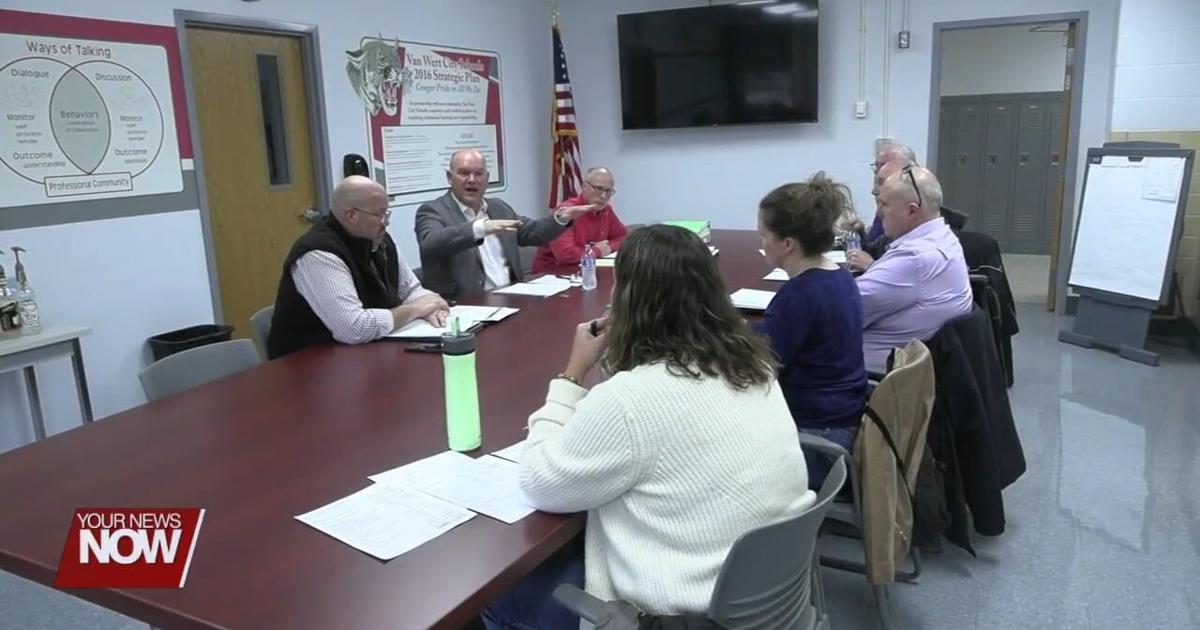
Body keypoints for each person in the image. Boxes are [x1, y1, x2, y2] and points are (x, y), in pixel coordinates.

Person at [484, 225, 816, 629]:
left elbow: (540, 481)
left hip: (675, 616)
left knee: (500, 596)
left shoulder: (630, 401)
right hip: (761, 598)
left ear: (627, 300)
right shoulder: (754, 365)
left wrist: (572, 375)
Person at [756, 173, 868, 484]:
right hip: (843, 418)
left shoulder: (799, 295)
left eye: (764, 235)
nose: (761, 243)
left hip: (816, 438)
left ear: (788, 243)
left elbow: (760, 366)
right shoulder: (840, 275)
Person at [267, 176, 448, 359]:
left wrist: (432, 308)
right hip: (307, 366)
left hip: (364, 354)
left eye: (387, 213)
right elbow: (354, 328)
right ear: (351, 215)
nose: (386, 222)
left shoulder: (379, 239)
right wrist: (416, 310)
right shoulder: (318, 253)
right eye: (380, 214)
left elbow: (412, 290)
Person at [415, 149, 594, 298]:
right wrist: (481, 228)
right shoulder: (432, 211)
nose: (471, 179)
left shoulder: (498, 207)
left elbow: (533, 232)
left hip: (513, 299)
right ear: (449, 177)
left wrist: (561, 217)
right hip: (465, 308)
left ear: (487, 178)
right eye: (463, 173)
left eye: (478, 174)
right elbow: (430, 242)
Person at [857, 165, 972, 372]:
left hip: (870, 376)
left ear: (912, 211)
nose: (878, 213)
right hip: (903, 370)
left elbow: (840, 309)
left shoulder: (915, 257)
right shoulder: (945, 238)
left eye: (884, 205)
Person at [532, 166, 629, 273]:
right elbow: (566, 255)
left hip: (586, 270)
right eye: (599, 189)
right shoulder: (567, 211)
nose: (603, 196)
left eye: (608, 191)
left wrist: (608, 247)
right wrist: (596, 251)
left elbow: (624, 237)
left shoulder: (606, 210)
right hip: (552, 275)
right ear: (585, 187)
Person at [847, 157, 913, 271]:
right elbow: (874, 250)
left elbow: (899, 281)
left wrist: (871, 266)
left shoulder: (923, 248)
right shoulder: (894, 231)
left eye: (884, 203)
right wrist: (861, 232)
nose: (878, 212)